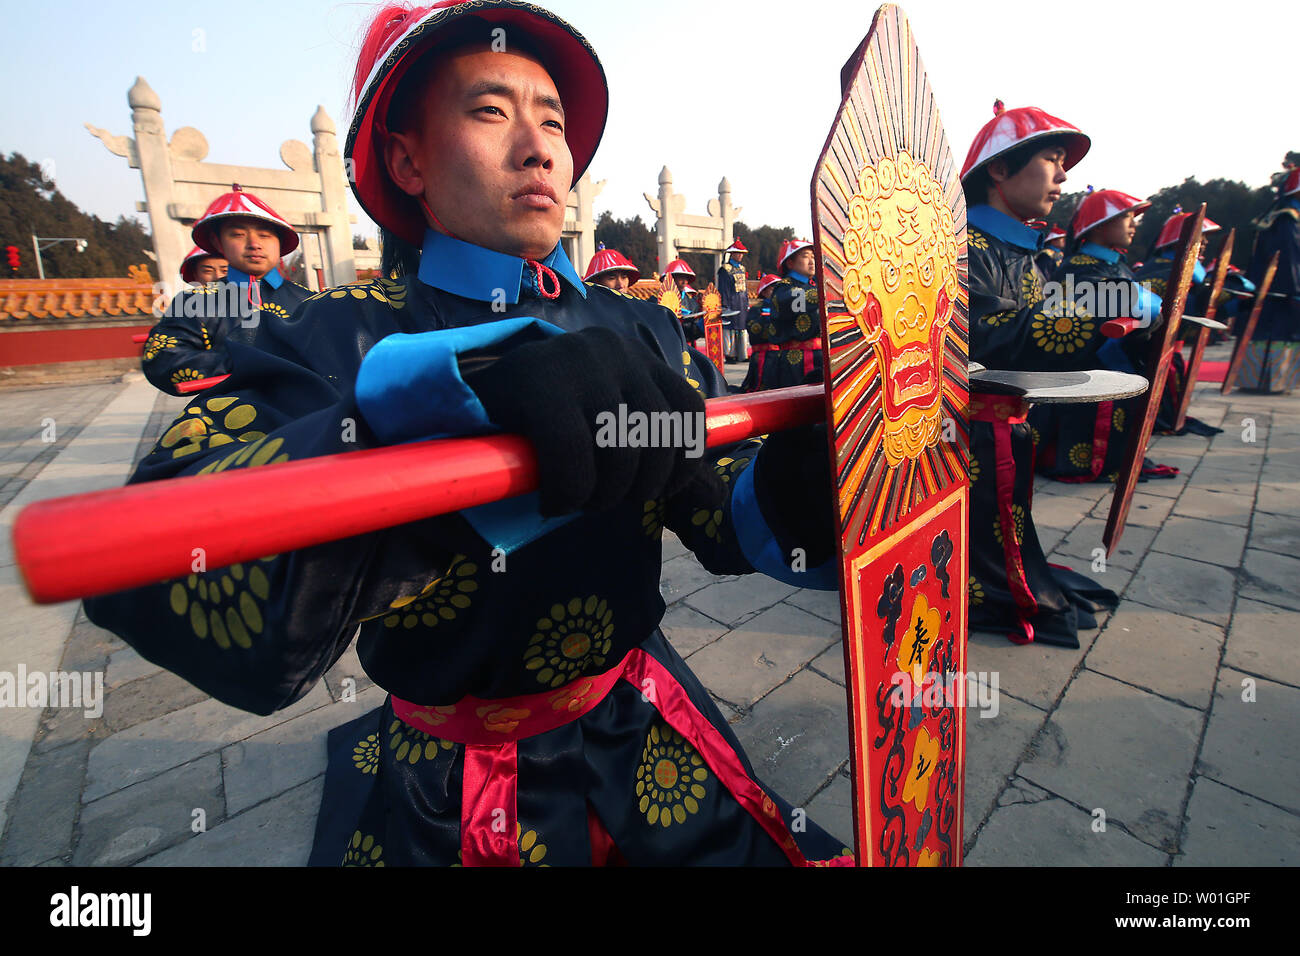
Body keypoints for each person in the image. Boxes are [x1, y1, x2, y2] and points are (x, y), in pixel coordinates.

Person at [85, 0, 847, 868]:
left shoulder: (634, 326)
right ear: (406, 159)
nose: (540, 147)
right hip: (453, 779)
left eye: (553, 120)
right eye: (492, 112)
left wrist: (800, 480)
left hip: (650, 720)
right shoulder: (337, 334)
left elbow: (718, 512)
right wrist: (445, 405)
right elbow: (155, 552)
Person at [961, 101, 1117, 648]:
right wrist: (1098, 306)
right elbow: (992, 331)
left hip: (1013, 419)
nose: (1064, 174)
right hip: (964, 425)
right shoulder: (960, 249)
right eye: (1052, 159)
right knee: (980, 526)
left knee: (1009, 519)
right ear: (999, 170)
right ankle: (983, 591)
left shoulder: (1028, 251)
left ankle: (1013, 580)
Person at [1031, 188, 1168, 482]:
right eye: (1128, 218)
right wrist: (1149, 302)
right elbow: (1133, 300)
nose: (1134, 225)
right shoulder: (1077, 269)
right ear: (1101, 224)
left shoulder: (1112, 264)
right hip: (1083, 371)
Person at [141, 185, 310, 395]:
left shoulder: (309, 299)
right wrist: (246, 361)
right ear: (217, 242)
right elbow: (162, 358)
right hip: (228, 412)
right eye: (238, 234)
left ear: (279, 243)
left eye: (265, 235)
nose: (254, 244)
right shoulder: (194, 302)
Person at [1133, 208, 1223, 433]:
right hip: (1147, 352)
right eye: (1199, 239)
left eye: (1204, 241)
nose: (1203, 245)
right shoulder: (1163, 272)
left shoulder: (1180, 270)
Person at [1238, 167, 1300, 392]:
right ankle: (1267, 382)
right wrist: (1295, 289)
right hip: (1281, 290)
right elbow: (1289, 259)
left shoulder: (1280, 217)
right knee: (1276, 333)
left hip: (1276, 289)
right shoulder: (1287, 220)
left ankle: (1270, 382)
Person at [740, 239, 822, 391]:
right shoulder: (783, 289)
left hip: (821, 357)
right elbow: (800, 299)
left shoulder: (816, 286)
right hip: (796, 361)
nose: (812, 261)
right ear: (790, 263)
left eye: (813, 256)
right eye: (805, 256)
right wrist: (829, 291)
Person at [716, 239, 749, 361]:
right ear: (732, 254)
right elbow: (723, 289)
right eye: (738, 253)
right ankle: (730, 354)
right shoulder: (725, 269)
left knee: (741, 328)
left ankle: (742, 353)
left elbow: (744, 289)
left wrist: (746, 303)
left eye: (742, 253)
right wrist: (725, 305)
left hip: (741, 303)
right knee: (730, 328)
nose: (740, 255)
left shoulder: (742, 268)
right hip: (731, 302)